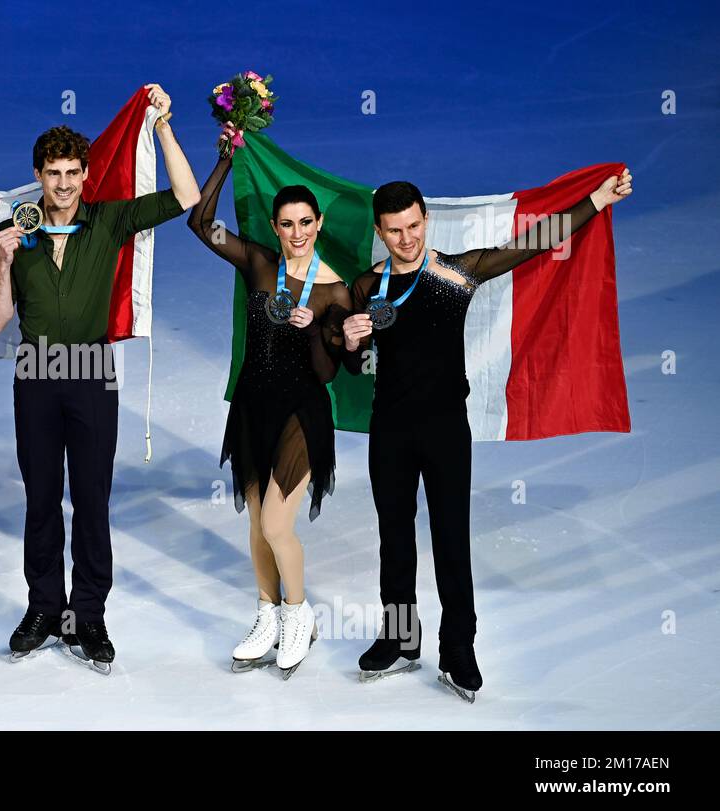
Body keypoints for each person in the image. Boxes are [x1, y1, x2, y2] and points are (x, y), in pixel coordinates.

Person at [341, 169, 634, 702]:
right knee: (395, 537)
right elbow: (355, 365)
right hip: (390, 429)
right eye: (394, 231)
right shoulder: (367, 286)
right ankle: (402, 640)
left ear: (425, 220)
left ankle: (458, 649)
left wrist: (597, 199)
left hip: (446, 429)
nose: (406, 239)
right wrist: (349, 338)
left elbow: (532, 243)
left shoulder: (457, 274)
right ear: (379, 231)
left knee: (452, 539)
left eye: (413, 227)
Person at [0, 85, 201, 673]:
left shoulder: (109, 220)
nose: (63, 184)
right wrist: (2, 260)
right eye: (53, 173)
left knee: (92, 499)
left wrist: (161, 128)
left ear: (85, 175)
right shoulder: (15, 233)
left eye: (73, 173)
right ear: (37, 175)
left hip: (90, 371)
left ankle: (88, 616)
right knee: (40, 499)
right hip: (35, 371)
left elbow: (186, 195)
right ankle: (42, 609)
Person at [187, 139, 352, 678]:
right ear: (276, 227)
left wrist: (314, 336)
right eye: (287, 223)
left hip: (302, 415)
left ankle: (298, 614)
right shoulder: (259, 263)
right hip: (253, 408)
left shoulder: (334, 291)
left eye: (306, 222)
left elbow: (330, 375)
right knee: (257, 526)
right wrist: (225, 161)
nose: (297, 233)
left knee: (279, 525)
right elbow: (200, 222)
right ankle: (267, 613)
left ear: (319, 223)